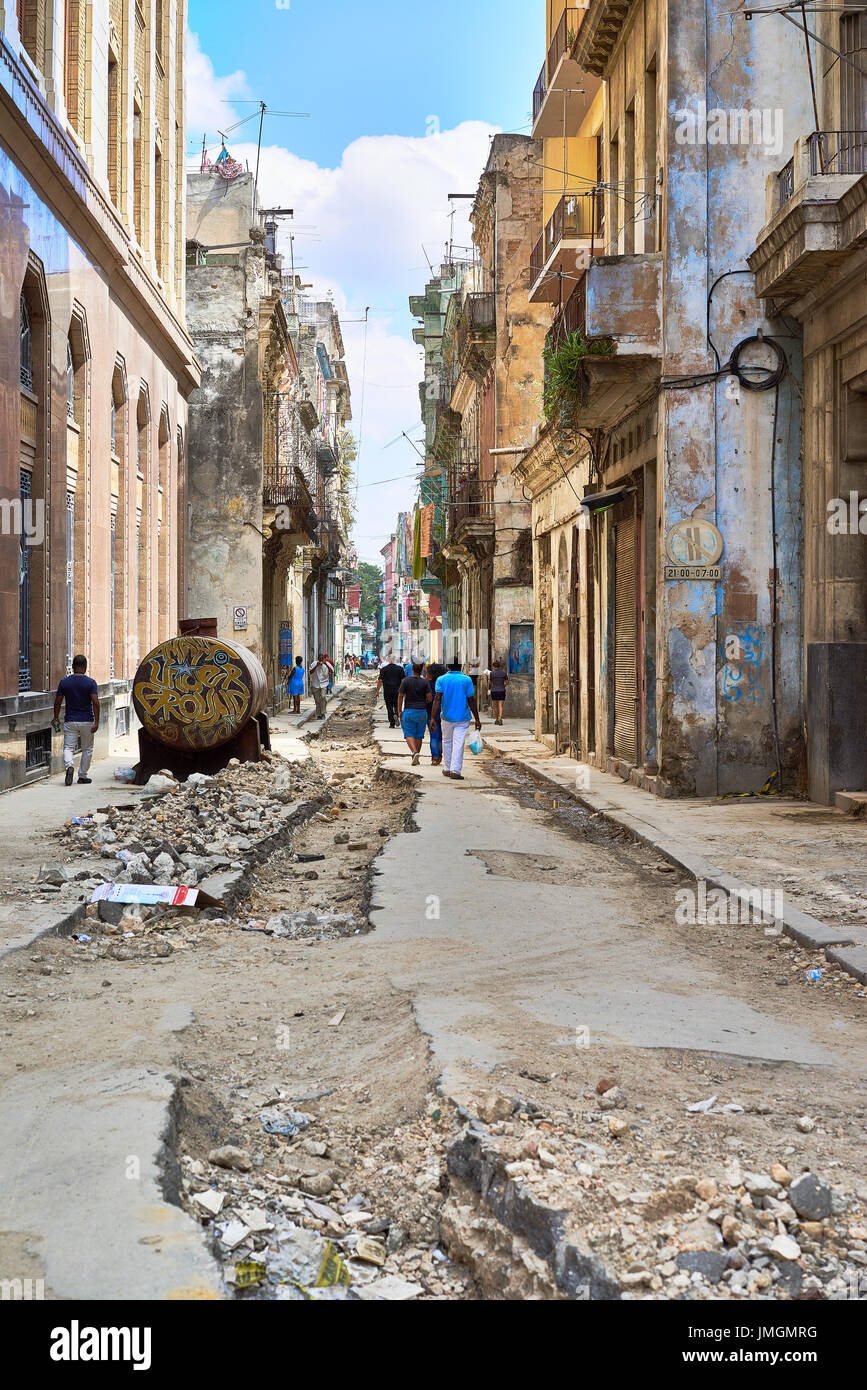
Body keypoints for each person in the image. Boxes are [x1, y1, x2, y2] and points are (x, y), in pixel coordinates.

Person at [431, 657, 481, 781]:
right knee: (458, 743)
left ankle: (447, 768)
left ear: (448, 667)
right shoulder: (466, 680)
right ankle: (455, 770)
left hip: (446, 716)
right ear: (461, 667)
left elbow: (437, 699)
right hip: (462, 717)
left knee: (447, 741)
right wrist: (477, 719)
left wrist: (432, 717)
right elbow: (471, 700)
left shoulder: (441, 679)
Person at [53, 654, 100, 786]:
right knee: (87, 749)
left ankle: (69, 767)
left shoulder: (64, 682)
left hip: (70, 720)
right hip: (87, 720)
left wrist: (55, 717)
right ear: (85, 666)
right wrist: (96, 721)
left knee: (68, 747)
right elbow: (95, 703)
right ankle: (83, 776)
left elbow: (57, 702)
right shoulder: (91, 683)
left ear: (73, 667)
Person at [397, 660, 432, 767]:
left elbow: (400, 696)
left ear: (412, 669)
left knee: (408, 733)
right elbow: (430, 698)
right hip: (422, 712)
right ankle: (416, 755)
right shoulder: (425, 682)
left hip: (409, 711)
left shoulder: (406, 681)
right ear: (421, 670)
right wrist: (423, 702)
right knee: (419, 735)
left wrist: (399, 710)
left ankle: (414, 752)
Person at [425, 660, 446, 766]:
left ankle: (435, 756)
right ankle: (439, 755)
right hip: (443, 711)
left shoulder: (428, 684)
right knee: (441, 736)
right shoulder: (443, 683)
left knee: (434, 735)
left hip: (430, 712)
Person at [375, 656, 405, 728]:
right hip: (397, 690)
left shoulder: (384, 669)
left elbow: (380, 681)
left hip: (387, 690)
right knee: (397, 705)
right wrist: (404, 691)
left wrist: (377, 691)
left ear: (388, 660)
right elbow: (403, 680)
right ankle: (396, 715)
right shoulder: (400, 669)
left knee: (389, 706)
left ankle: (392, 723)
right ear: (395, 660)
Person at [309, 653, 334, 719]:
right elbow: (310, 672)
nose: (321, 660)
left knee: (323, 697)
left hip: (324, 684)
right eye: (320, 659)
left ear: (323, 659)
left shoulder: (326, 664)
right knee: (317, 700)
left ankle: (323, 713)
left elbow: (331, 671)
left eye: (322, 659)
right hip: (315, 684)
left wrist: (326, 664)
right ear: (318, 659)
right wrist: (316, 666)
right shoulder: (314, 664)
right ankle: (318, 714)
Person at [484, 658, 509, 725]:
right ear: (499, 666)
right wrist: (503, 685)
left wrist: (489, 678)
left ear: (493, 666)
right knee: (500, 705)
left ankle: (496, 719)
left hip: (494, 690)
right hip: (502, 690)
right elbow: (507, 682)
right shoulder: (503, 673)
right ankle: (500, 718)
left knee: (495, 706)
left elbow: (490, 683)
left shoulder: (491, 673)